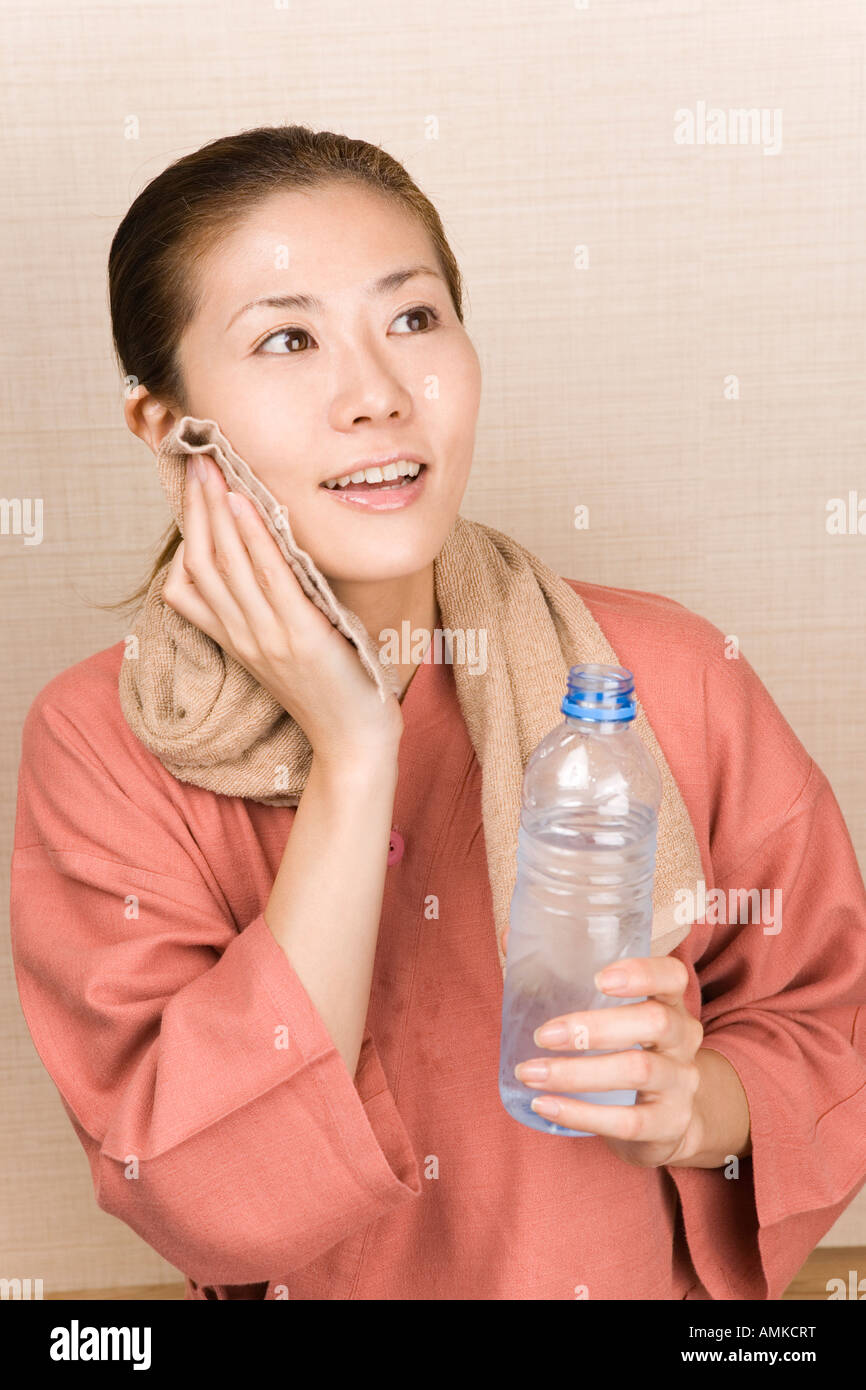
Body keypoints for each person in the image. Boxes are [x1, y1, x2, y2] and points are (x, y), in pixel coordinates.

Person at [10, 125, 866, 1301]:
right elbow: (192, 1180)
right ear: (166, 424)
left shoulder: (662, 667)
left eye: (412, 319)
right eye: (288, 338)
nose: (375, 395)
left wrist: (701, 1101)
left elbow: (829, 1019)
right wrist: (356, 754)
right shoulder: (98, 741)